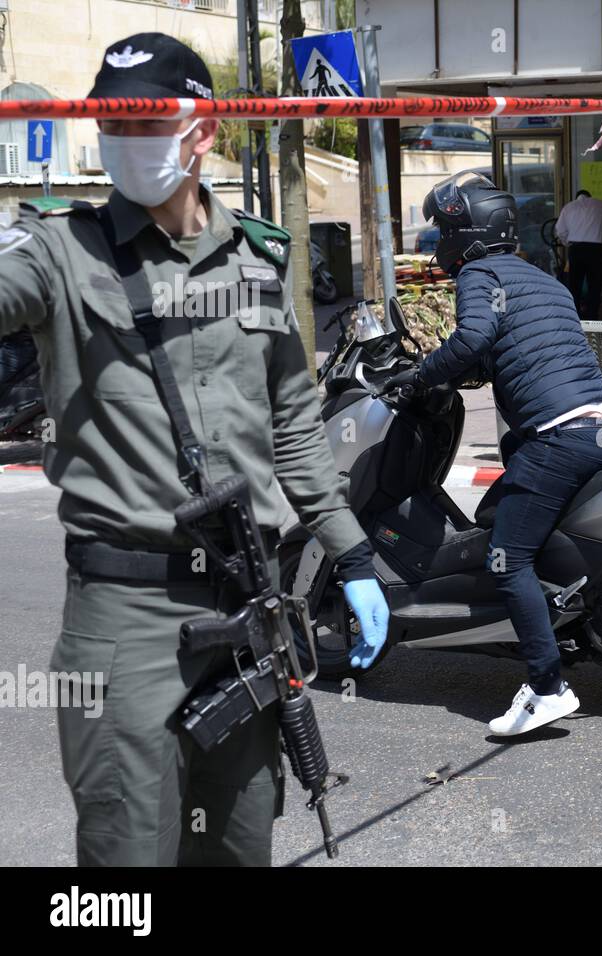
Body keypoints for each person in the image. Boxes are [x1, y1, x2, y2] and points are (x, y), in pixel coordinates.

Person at [0, 34, 389, 866]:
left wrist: (350, 556)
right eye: (113, 123)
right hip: (122, 617)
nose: (128, 141)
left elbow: (292, 421)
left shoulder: (255, 261)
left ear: (202, 130)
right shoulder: (59, 254)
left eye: (147, 121)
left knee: (241, 842)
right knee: (124, 860)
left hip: (247, 611)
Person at [385, 171, 602, 737]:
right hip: (599, 424)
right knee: (507, 490)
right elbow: (507, 350)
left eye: (443, 230)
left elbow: (471, 340)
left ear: (467, 232)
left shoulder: (479, 273)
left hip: (559, 433)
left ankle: (547, 688)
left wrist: (419, 377)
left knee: (506, 555)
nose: (438, 241)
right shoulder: (543, 279)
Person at [555, 189, 602, 321]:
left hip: (576, 249)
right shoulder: (599, 204)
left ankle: (575, 317)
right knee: (595, 285)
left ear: (577, 197)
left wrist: (567, 243)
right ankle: (592, 317)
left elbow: (560, 231)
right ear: (590, 196)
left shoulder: (569, 207)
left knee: (574, 285)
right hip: (595, 250)